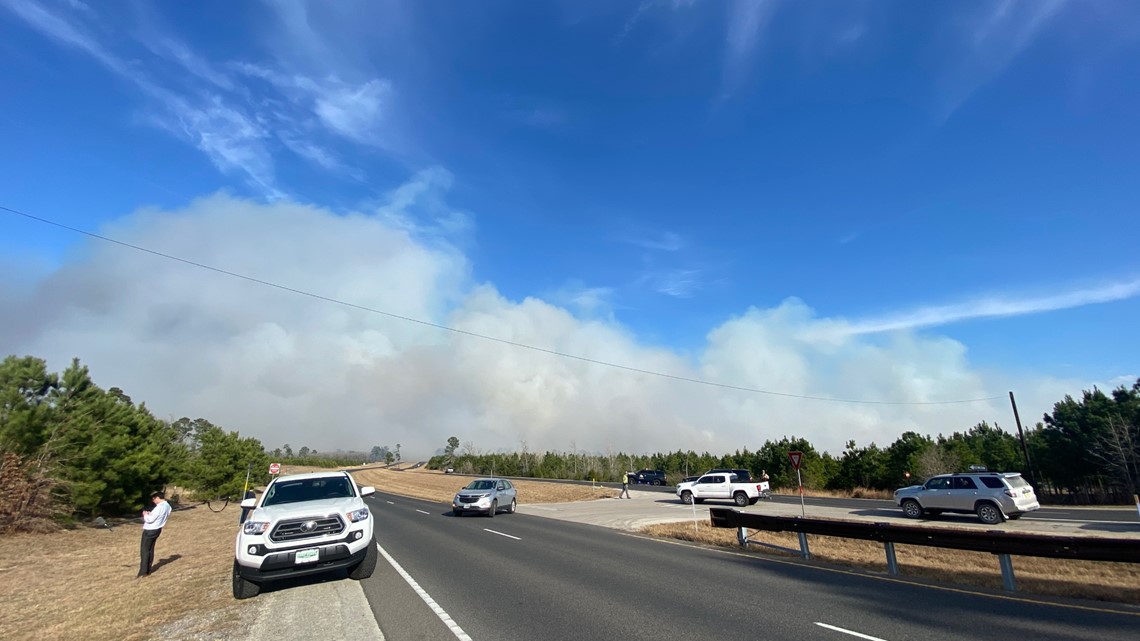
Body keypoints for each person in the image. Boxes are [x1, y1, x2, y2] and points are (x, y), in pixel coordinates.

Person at [138, 490, 172, 578]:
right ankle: (148, 570)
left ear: (157, 498)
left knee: (145, 550)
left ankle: (143, 571)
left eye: (154, 499)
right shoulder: (168, 506)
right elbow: (158, 516)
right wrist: (150, 514)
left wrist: (145, 515)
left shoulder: (159, 507)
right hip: (157, 529)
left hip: (150, 530)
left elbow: (150, 520)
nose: (153, 501)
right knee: (150, 549)